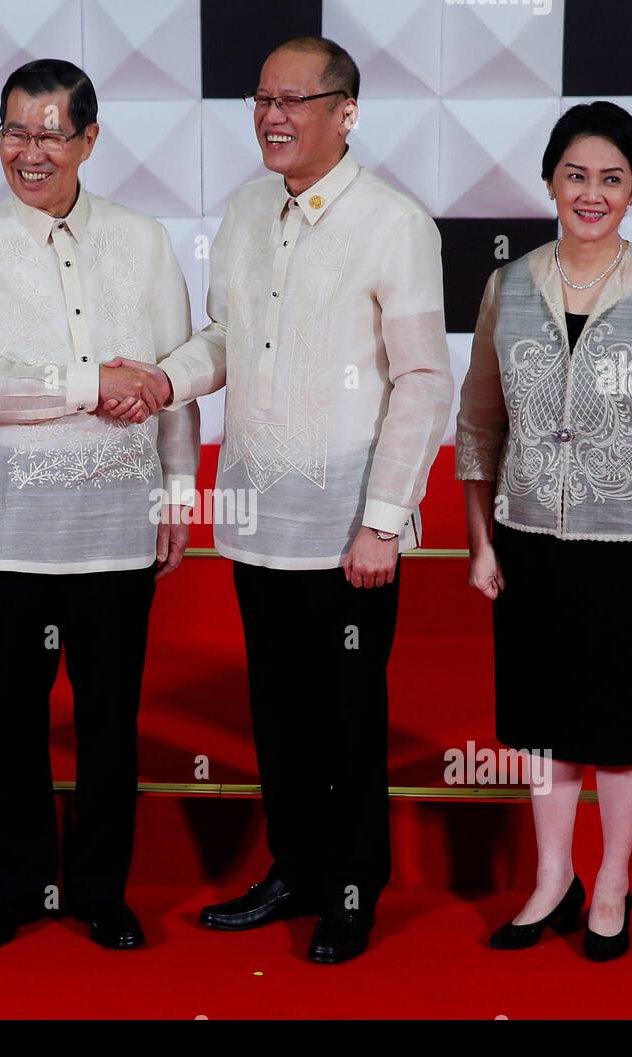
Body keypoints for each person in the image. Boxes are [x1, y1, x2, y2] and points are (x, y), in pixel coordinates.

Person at [108, 37, 453, 963]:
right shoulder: (247, 209)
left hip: (350, 525)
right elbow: (228, 338)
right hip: (257, 517)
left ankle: (351, 892)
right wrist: (161, 380)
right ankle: (294, 867)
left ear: (346, 113)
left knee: (348, 718)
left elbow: (424, 380)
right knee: (279, 715)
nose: (273, 117)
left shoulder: (394, 223)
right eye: (262, 98)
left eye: (295, 100)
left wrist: (385, 521)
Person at [0, 59, 200, 953]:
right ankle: (12, 890)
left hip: (118, 526)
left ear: (90, 138)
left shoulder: (145, 241)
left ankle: (98, 892)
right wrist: (95, 382)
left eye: (50, 133)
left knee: (108, 723)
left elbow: (173, 380)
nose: (30, 151)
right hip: (10, 532)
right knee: (12, 721)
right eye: (15, 132)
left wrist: (177, 490)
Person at [455, 101, 632, 960]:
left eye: (612, 179)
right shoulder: (509, 284)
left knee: (622, 725)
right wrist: (480, 538)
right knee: (543, 722)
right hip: (530, 540)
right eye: (576, 175)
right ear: (549, 182)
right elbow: (478, 423)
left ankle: (611, 883)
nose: (592, 193)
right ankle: (551, 879)